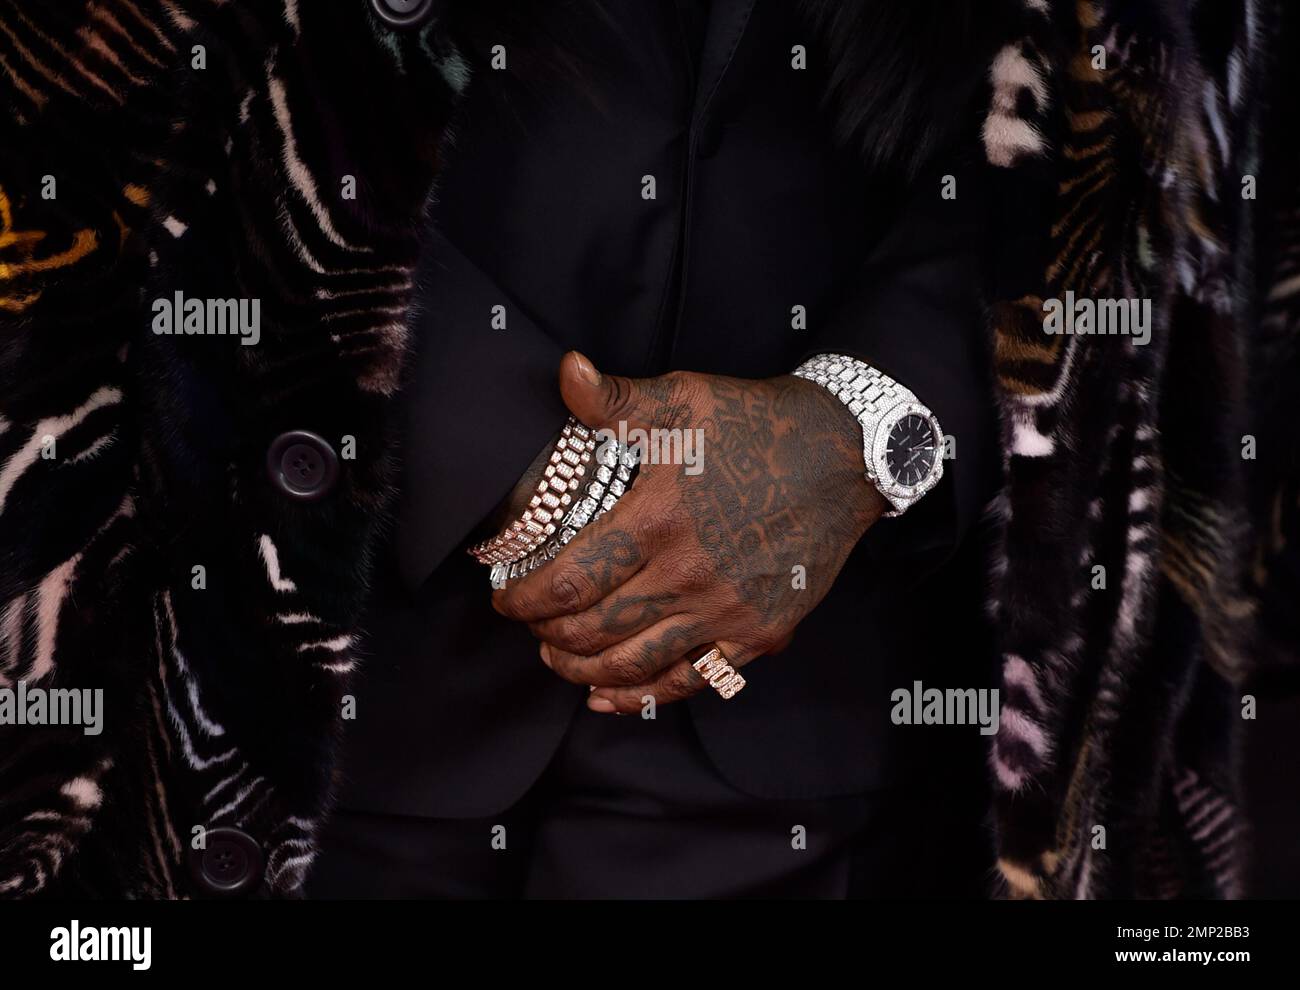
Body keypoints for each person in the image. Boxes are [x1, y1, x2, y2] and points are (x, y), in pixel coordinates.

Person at [0, 0, 1280, 900]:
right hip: (281, 691)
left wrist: (867, 414)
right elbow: (90, 80)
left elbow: (1132, 109)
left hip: (852, 718)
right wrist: (520, 459)